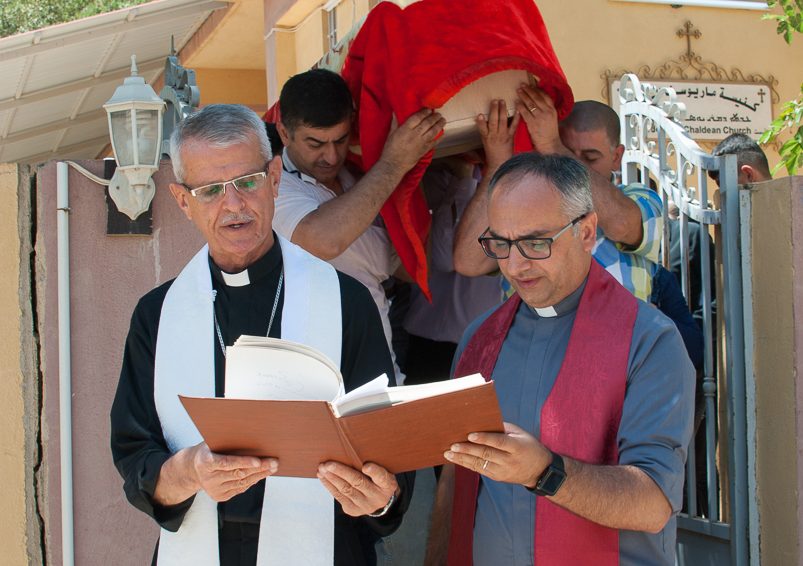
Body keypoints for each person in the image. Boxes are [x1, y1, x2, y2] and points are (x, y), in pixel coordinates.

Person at [110, 104, 413, 566]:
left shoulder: (344, 301)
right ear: (181, 200)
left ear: (274, 178)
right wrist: (189, 471)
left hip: (325, 545)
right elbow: (135, 456)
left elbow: (389, 446)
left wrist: (379, 495)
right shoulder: (157, 314)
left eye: (247, 182)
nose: (233, 205)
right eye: (210, 190)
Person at [426, 152, 695, 565]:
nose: (515, 265)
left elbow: (653, 502)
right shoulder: (479, 339)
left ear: (587, 232)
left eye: (536, 242)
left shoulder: (649, 341)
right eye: (500, 242)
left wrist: (545, 472)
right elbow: (454, 480)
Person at [272, 68, 445, 385]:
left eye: (340, 140)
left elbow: (408, 269)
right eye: (315, 143)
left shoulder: (359, 179)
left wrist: (411, 180)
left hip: (380, 369)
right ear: (284, 133)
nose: (331, 155)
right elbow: (324, 240)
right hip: (311, 384)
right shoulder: (273, 187)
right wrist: (394, 163)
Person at [454, 91, 662, 303]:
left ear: (616, 157)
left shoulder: (640, 198)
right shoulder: (527, 203)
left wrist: (554, 146)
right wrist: (498, 164)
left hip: (616, 334)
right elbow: (468, 262)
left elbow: (622, 225)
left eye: (590, 158)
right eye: (567, 153)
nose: (572, 165)